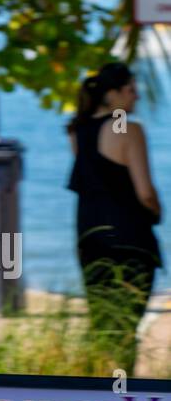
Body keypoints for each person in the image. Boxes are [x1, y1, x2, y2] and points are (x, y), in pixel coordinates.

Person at [67, 62, 162, 368]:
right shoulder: (127, 127)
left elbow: (94, 177)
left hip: (90, 237)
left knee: (105, 326)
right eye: (131, 89)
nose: (136, 97)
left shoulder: (77, 132)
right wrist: (157, 211)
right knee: (125, 326)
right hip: (129, 239)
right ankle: (124, 392)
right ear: (113, 94)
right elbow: (144, 191)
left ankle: (103, 394)